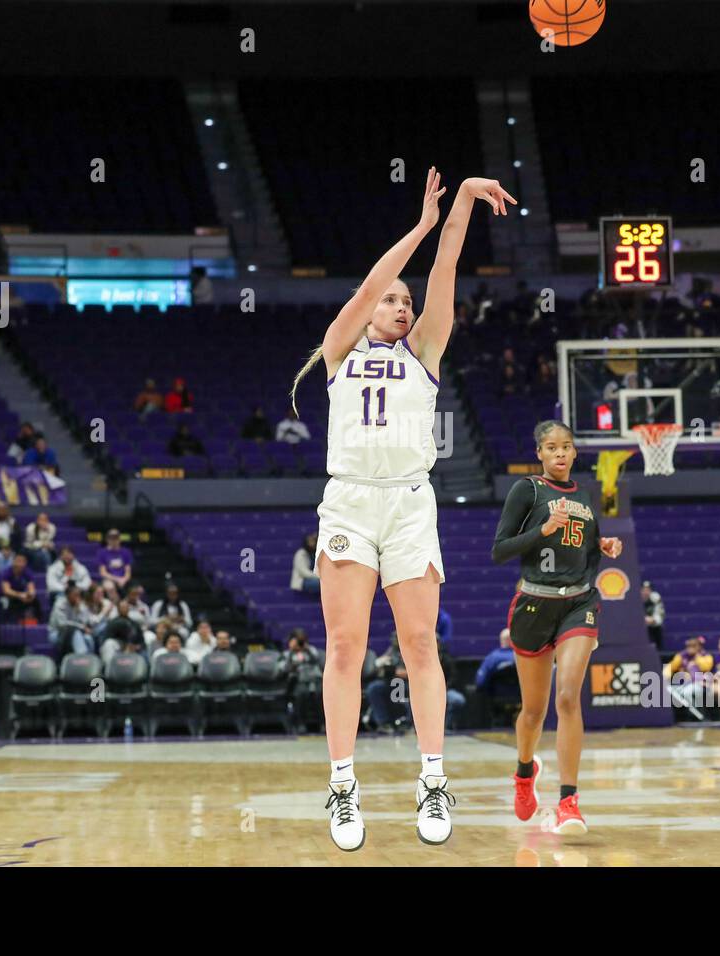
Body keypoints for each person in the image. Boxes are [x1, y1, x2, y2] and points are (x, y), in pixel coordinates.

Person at [288, 168, 513, 851]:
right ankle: (343, 785)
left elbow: (446, 267)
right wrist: (416, 225)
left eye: (405, 301)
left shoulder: (425, 352)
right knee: (347, 647)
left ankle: (434, 779)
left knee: (420, 644)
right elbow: (364, 289)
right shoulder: (338, 353)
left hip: (411, 502)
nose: (401, 306)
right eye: (391, 300)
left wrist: (462, 206)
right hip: (352, 501)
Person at [492, 420, 622, 835]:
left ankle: (569, 800)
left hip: (579, 603)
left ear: (574, 452)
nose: (561, 453)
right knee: (533, 711)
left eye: (566, 446)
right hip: (533, 603)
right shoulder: (526, 491)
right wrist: (541, 530)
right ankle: (524, 773)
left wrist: (603, 546)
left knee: (568, 696)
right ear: (540, 455)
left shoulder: (584, 495)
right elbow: (499, 550)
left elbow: (585, 549)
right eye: (552, 447)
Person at [49, 583, 96, 656]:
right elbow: (63, 624)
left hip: (76, 632)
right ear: (68, 595)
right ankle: (82, 658)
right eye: (75, 595)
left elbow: (85, 621)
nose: (78, 597)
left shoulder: (79, 604)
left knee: (88, 638)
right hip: (57, 633)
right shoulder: (60, 604)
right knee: (76, 634)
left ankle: (90, 660)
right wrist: (82, 627)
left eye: (79, 595)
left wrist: (79, 610)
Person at [0, 553, 37, 622]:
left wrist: (30, 595)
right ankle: (7, 626)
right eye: (18, 561)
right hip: (8, 597)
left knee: (35, 602)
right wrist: (20, 595)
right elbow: (6, 591)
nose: (20, 564)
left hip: (21, 597)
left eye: (22, 561)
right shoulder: (6, 573)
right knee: (6, 603)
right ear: (13, 562)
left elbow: (31, 589)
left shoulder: (28, 572)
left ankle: (35, 624)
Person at [641, 580, 665, 649]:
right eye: (643, 590)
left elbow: (660, 616)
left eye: (648, 590)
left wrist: (653, 620)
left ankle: (658, 652)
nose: (645, 592)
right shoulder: (635, 599)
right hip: (639, 627)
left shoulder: (655, 598)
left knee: (657, 629)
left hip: (653, 626)